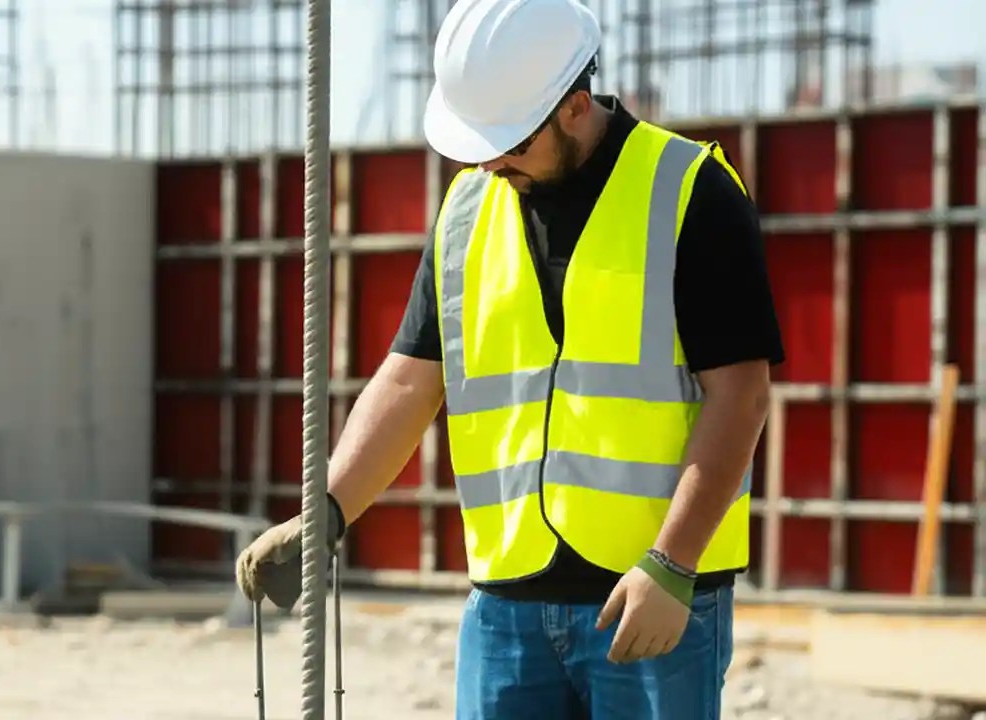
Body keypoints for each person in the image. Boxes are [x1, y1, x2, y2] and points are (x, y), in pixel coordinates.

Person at [234, 0, 785, 717]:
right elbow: (408, 381)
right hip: (506, 606)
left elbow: (740, 396)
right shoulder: (466, 209)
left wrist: (673, 565)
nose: (493, 164)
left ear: (576, 107)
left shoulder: (690, 192)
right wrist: (328, 511)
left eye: (512, 146)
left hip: (650, 595)